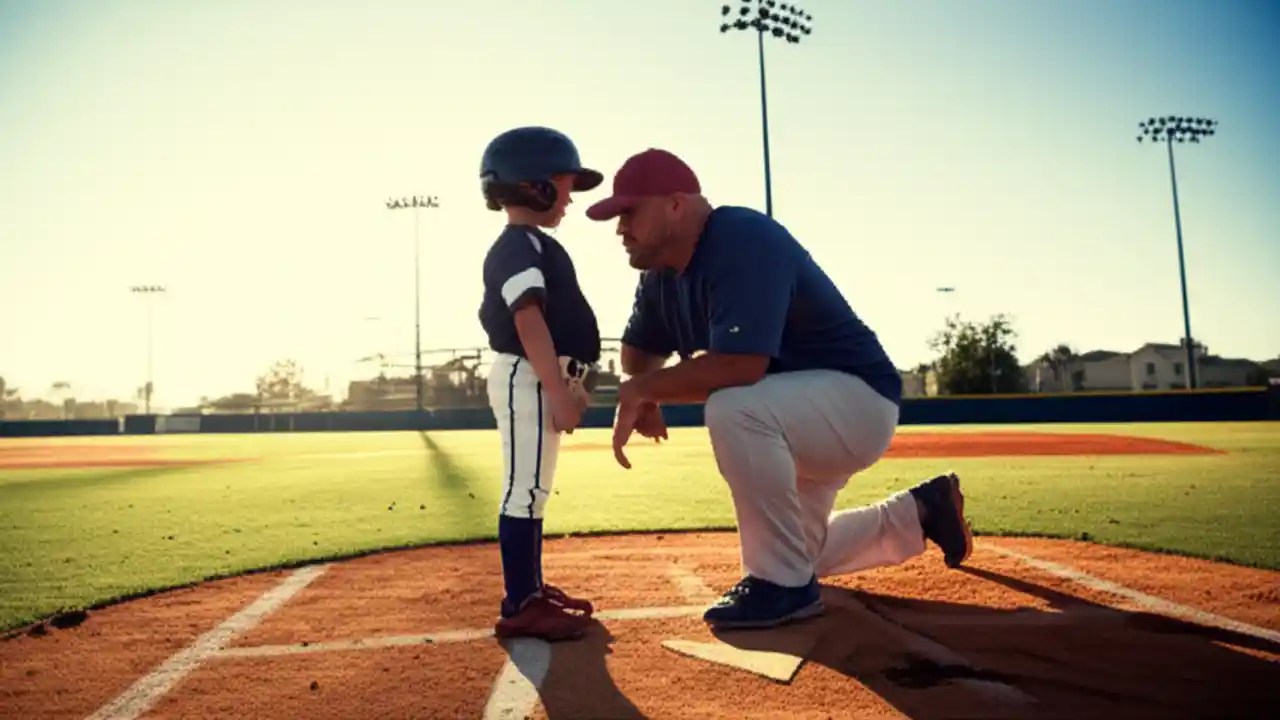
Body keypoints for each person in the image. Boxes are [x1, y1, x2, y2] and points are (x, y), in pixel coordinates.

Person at [584, 148, 973, 630]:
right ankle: (919, 513)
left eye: (628, 212)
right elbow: (639, 348)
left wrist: (647, 390)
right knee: (797, 551)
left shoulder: (740, 237)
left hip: (854, 402)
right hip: (790, 415)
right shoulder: (660, 274)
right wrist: (639, 386)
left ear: (676, 204)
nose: (620, 227)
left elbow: (742, 365)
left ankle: (782, 589)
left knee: (732, 407)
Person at [477, 126, 605, 641]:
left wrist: (566, 384)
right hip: (528, 375)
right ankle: (520, 603)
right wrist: (556, 390)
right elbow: (528, 317)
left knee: (534, 491)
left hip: (540, 375)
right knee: (523, 490)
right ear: (536, 186)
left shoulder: (532, 243)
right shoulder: (515, 246)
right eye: (566, 184)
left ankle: (529, 588)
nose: (571, 197)